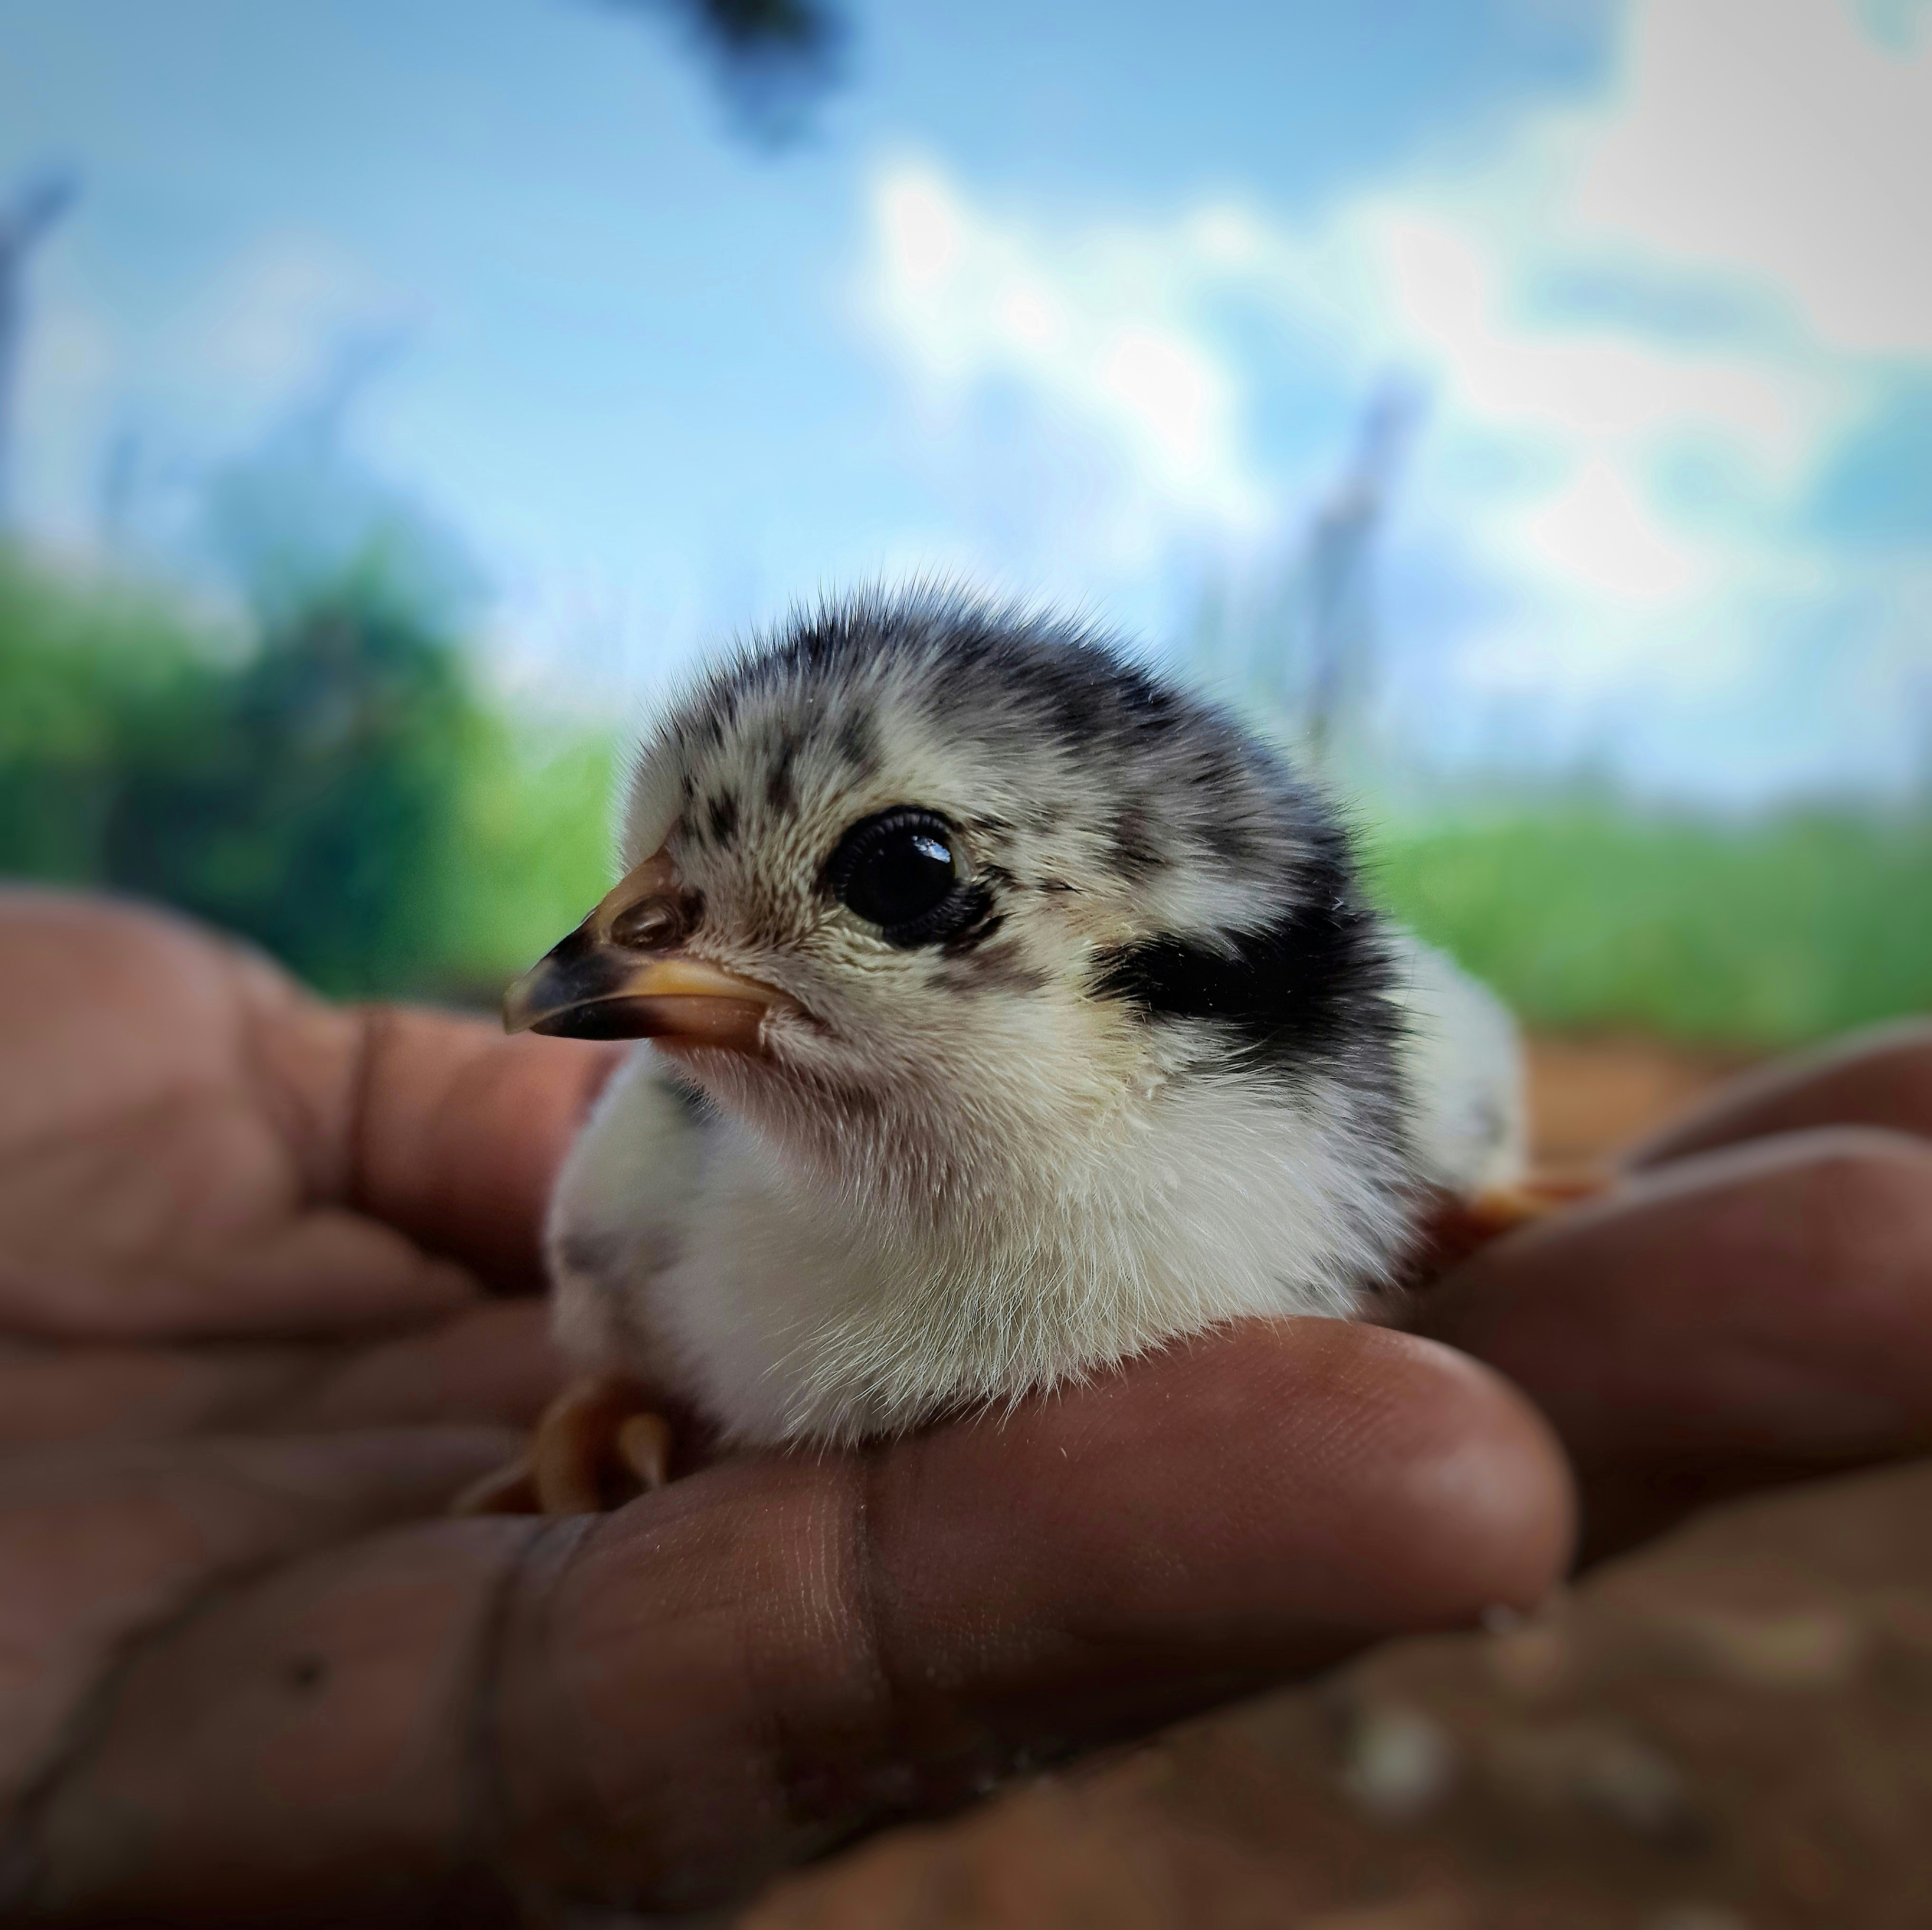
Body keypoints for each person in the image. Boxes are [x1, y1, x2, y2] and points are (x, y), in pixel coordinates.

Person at [0, 887, 1926, 1925]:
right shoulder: (663, 1167)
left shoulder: (1364, 1059)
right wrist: (606, 1377)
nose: (635, 952)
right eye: (666, 880)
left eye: (891, 883)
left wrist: (1451, 1181)